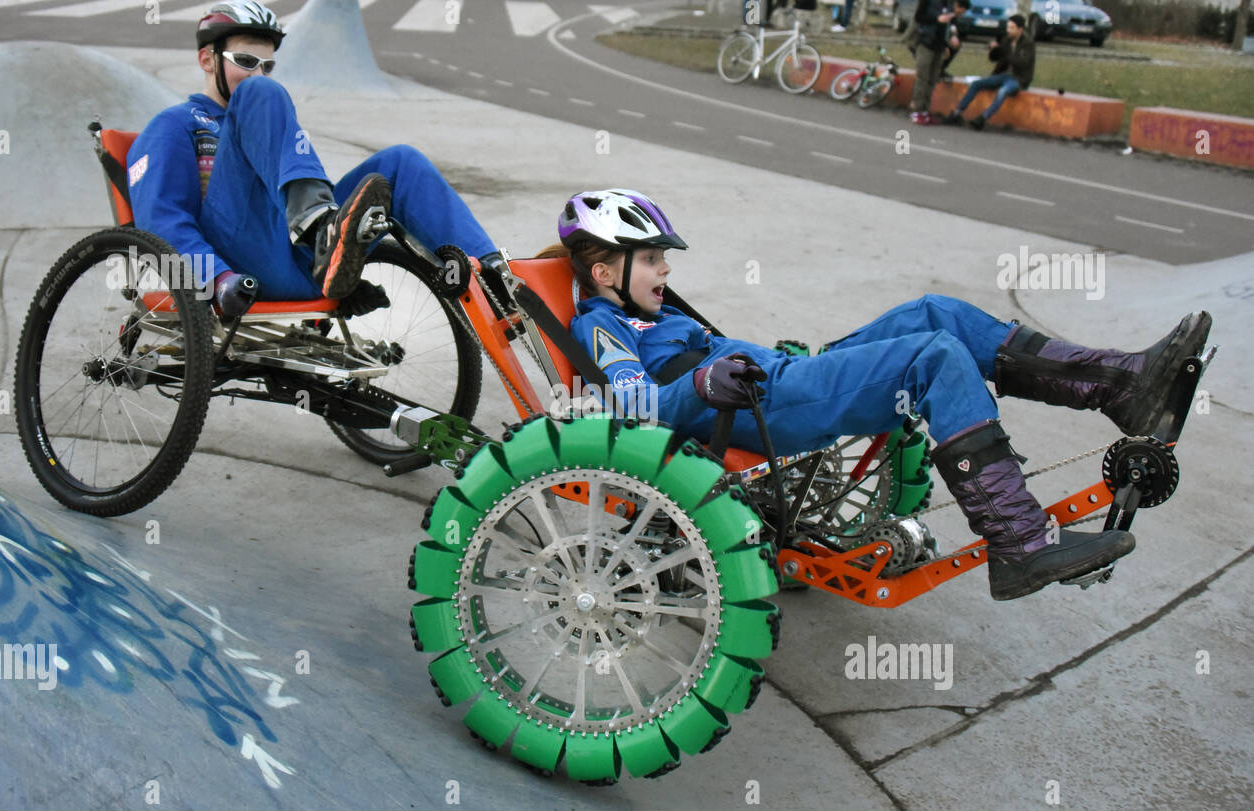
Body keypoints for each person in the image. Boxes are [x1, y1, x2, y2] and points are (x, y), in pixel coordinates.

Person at [554, 189, 1211, 601]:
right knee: (936, 358)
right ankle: (1019, 542)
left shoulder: (647, 311)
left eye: (664, 258)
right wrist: (701, 381)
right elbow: (632, 407)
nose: (666, 269)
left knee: (936, 313)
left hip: (780, 381)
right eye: (651, 259)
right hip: (764, 404)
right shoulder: (602, 324)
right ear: (606, 270)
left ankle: (1118, 383)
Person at [127, 1, 516, 317]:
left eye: (266, 65)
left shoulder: (261, 112)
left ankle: (494, 277)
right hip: (239, 264)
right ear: (207, 60)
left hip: (297, 259)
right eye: (246, 61)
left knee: (401, 163)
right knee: (263, 94)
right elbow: (160, 222)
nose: (258, 73)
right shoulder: (173, 125)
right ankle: (321, 232)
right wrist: (216, 277)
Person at [944, 14, 1036, 130]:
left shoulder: (1027, 43)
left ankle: (983, 118)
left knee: (1003, 91)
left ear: (1020, 29)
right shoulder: (1007, 40)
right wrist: (994, 50)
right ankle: (957, 113)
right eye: (1008, 27)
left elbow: (1022, 63)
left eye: (1012, 28)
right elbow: (994, 58)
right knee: (976, 84)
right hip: (1004, 75)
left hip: (1019, 79)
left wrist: (1004, 51)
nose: (1009, 31)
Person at [908, 0, 956, 124]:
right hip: (926, 41)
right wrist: (937, 19)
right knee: (922, 77)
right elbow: (919, 17)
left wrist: (950, 38)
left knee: (932, 78)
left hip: (940, 45)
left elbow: (951, 22)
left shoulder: (950, 3)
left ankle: (925, 111)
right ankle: (916, 111)